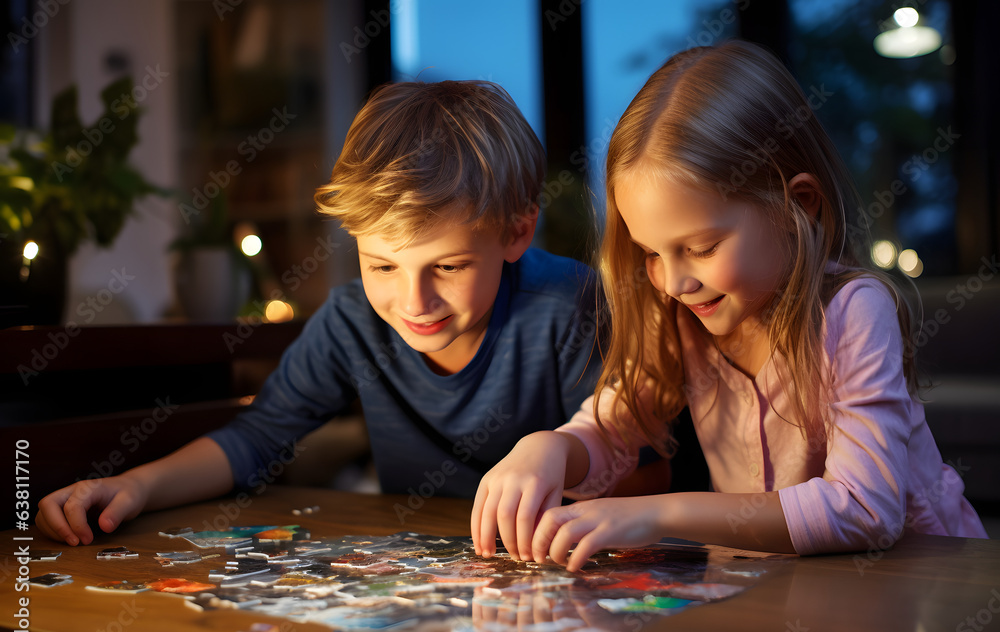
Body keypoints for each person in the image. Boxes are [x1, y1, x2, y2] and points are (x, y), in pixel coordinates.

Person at [470, 40, 988, 572]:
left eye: (701, 248)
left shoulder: (854, 311)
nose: (673, 282)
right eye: (651, 252)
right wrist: (551, 448)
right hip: (779, 592)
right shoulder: (675, 313)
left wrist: (656, 515)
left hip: (924, 587)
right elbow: (612, 427)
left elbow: (863, 509)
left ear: (798, 206)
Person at [37, 80, 602, 546]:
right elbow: (259, 437)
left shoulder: (570, 305)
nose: (412, 303)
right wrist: (136, 486)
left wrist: (557, 462)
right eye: (382, 267)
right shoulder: (353, 320)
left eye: (448, 267)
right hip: (418, 571)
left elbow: (640, 468)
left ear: (517, 232)